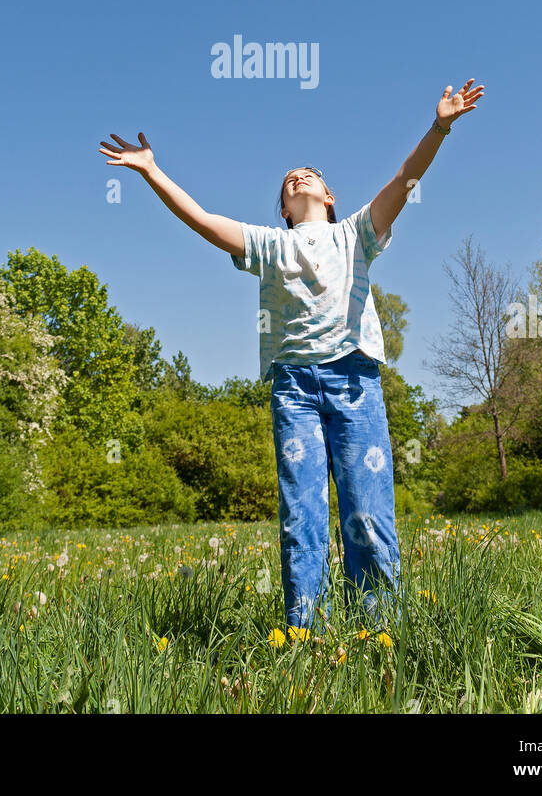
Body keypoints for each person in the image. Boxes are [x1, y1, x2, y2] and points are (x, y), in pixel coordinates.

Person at [98, 78, 484, 633]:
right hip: (295, 390)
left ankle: (380, 632)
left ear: (328, 196)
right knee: (302, 516)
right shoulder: (271, 245)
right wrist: (153, 170)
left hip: (354, 380)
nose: (297, 177)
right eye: (286, 182)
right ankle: (307, 637)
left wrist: (440, 125)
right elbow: (205, 222)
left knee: (367, 511)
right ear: (283, 208)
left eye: (309, 174)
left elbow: (405, 180)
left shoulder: (357, 234)